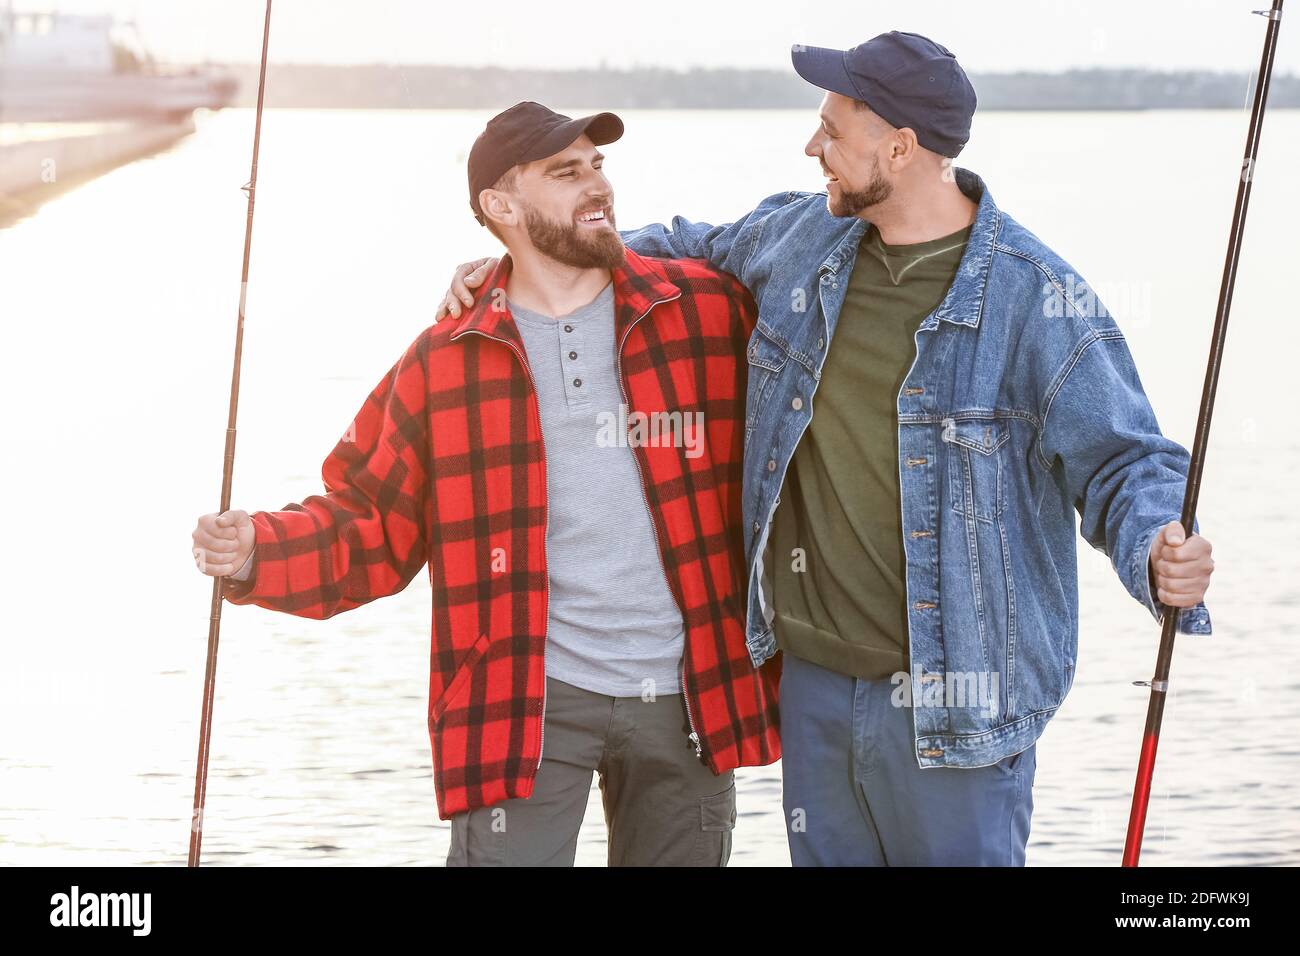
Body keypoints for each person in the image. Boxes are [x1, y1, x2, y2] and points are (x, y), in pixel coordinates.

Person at [436, 34, 1216, 866]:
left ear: (901, 147)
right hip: (811, 689)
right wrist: (516, 263)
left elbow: (1125, 460)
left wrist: (1157, 545)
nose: (813, 147)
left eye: (832, 129)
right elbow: (672, 247)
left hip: (957, 701)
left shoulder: (1038, 296)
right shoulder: (803, 238)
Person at [192, 101, 780, 867]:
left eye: (597, 165)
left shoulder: (704, 311)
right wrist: (254, 553)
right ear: (500, 206)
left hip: (693, 700)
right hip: (524, 704)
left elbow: (815, 266)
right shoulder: (447, 357)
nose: (596, 184)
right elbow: (369, 523)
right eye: (565, 172)